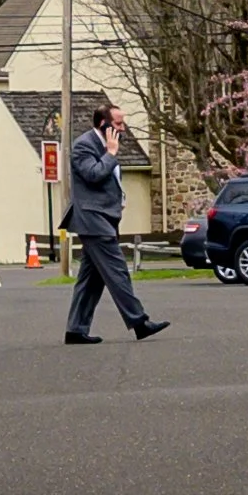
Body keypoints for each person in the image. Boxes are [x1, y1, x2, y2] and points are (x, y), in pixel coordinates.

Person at [63, 105, 171, 344]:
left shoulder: (105, 145)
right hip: (93, 221)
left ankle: (75, 330)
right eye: (119, 124)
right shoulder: (84, 145)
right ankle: (139, 322)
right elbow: (93, 174)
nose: (123, 128)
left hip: (103, 218)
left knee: (91, 279)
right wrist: (111, 153)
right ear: (104, 124)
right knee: (117, 271)